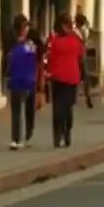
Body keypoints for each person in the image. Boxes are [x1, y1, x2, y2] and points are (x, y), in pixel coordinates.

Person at [45, 13, 86, 148]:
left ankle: (58, 135)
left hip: (58, 77)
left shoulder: (54, 40)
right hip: (71, 77)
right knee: (67, 107)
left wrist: (48, 72)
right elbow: (81, 57)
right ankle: (66, 132)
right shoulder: (75, 40)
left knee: (59, 107)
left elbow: (49, 57)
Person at [2, 14, 42, 150]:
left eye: (26, 26)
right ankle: (15, 138)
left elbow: (41, 52)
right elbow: (7, 55)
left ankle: (28, 133)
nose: (25, 29)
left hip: (30, 77)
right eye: (23, 26)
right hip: (17, 77)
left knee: (30, 109)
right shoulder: (11, 39)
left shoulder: (33, 37)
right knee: (16, 109)